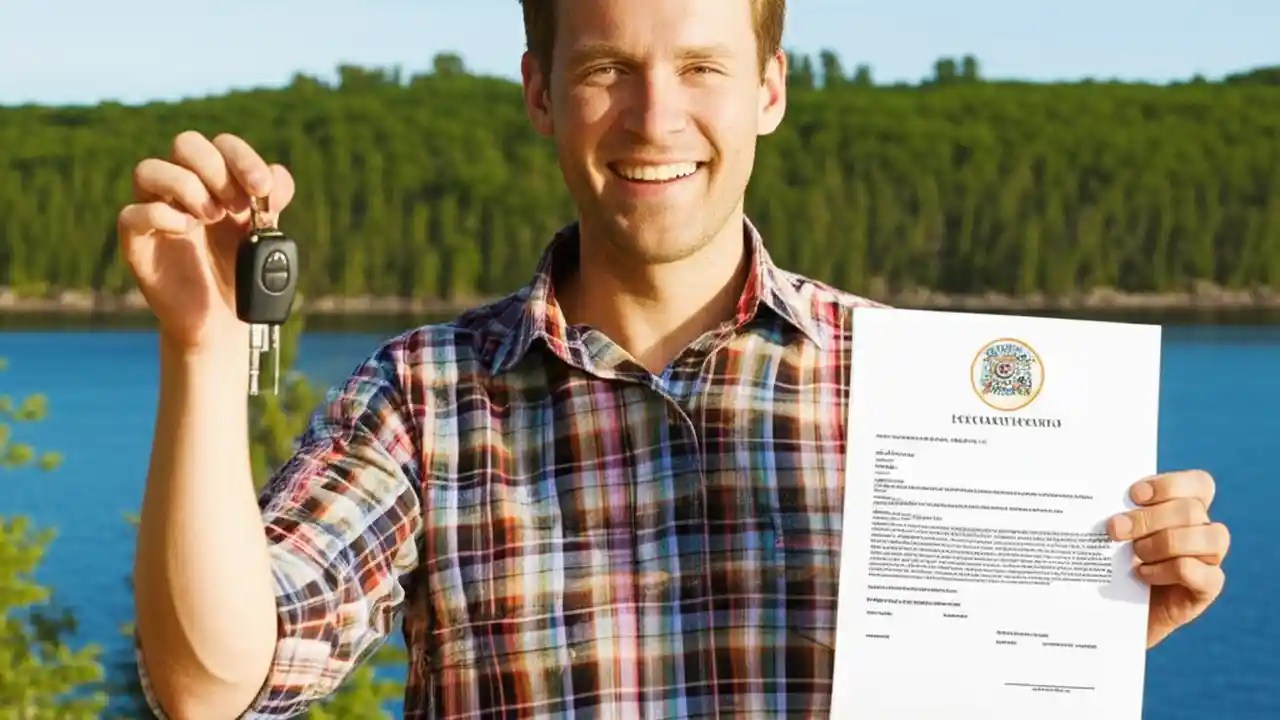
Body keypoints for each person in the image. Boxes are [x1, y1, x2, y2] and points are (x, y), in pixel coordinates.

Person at [119, 0, 1232, 717]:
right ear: (541, 92)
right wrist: (207, 348)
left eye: (700, 66)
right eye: (606, 68)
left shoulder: (910, 390)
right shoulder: (425, 399)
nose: (654, 119)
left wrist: (1070, 629)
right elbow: (212, 680)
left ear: (769, 88)